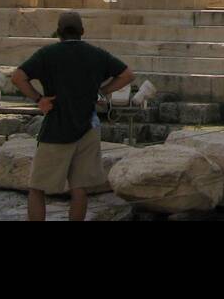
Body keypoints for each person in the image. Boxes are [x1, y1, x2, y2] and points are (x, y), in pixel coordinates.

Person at [11, 11, 133, 222]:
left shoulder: (47, 54)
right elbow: (127, 75)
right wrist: (102, 91)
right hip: (87, 127)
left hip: (56, 129)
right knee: (79, 189)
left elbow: (17, 77)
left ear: (58, 33)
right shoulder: (96, 54)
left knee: (37, 188)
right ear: (82, 32)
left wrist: (39, 99)